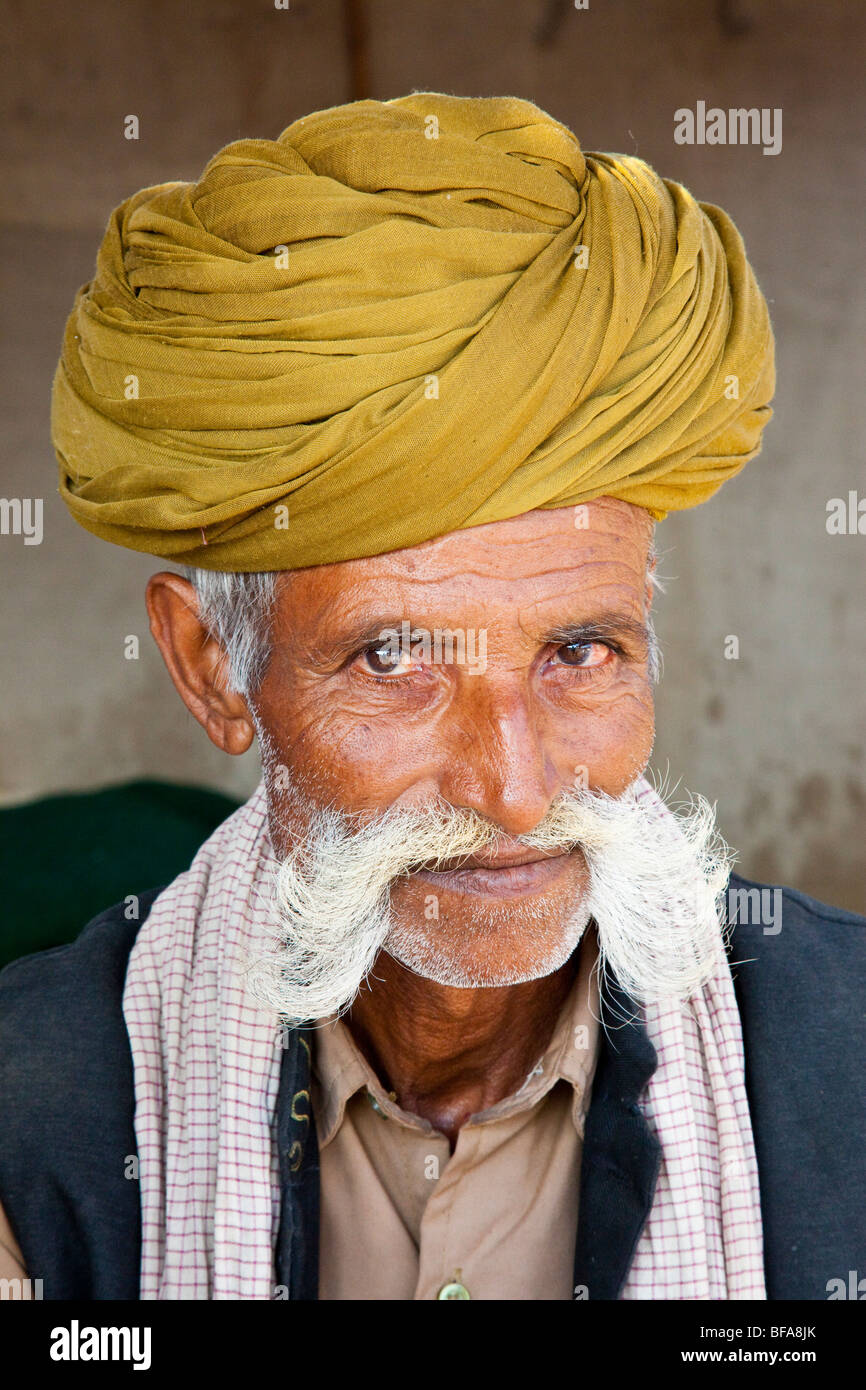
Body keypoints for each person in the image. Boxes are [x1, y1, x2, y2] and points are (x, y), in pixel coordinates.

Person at [0, 93, 862, 1302]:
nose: (513, 791)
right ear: (210, 669)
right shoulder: (31, 1120)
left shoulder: (849, 1057)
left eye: (577, 651)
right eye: (393, 663)